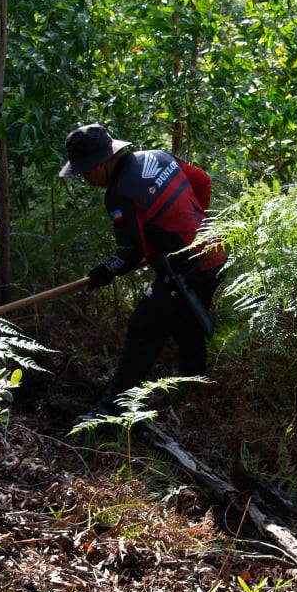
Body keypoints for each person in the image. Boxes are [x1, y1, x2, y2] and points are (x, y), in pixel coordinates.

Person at [59, 123, 226, 422]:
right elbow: (203, 181)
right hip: (213, 251)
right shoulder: (160, 156)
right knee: (186, 325)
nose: (85, 178)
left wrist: (103, 273)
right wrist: (195, 225)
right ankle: (193, 395)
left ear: (105, 161)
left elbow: (129, 253)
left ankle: (109, 413)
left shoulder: (119, 193)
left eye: (86, 171)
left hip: (188, 266)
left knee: (142, 329)